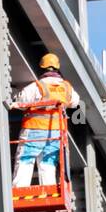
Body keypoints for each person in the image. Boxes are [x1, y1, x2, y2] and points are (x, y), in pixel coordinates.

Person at [11, 53, 80, 189]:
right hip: (56, 134)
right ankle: (49, 191)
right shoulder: (67, 88)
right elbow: (75, 102)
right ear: (57, 68)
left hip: (34, 130)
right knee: (47, 164)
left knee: (25, 159)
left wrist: (13, 97)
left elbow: (21, 100)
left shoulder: (37, 86)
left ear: (42, 68)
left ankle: (19, 190)